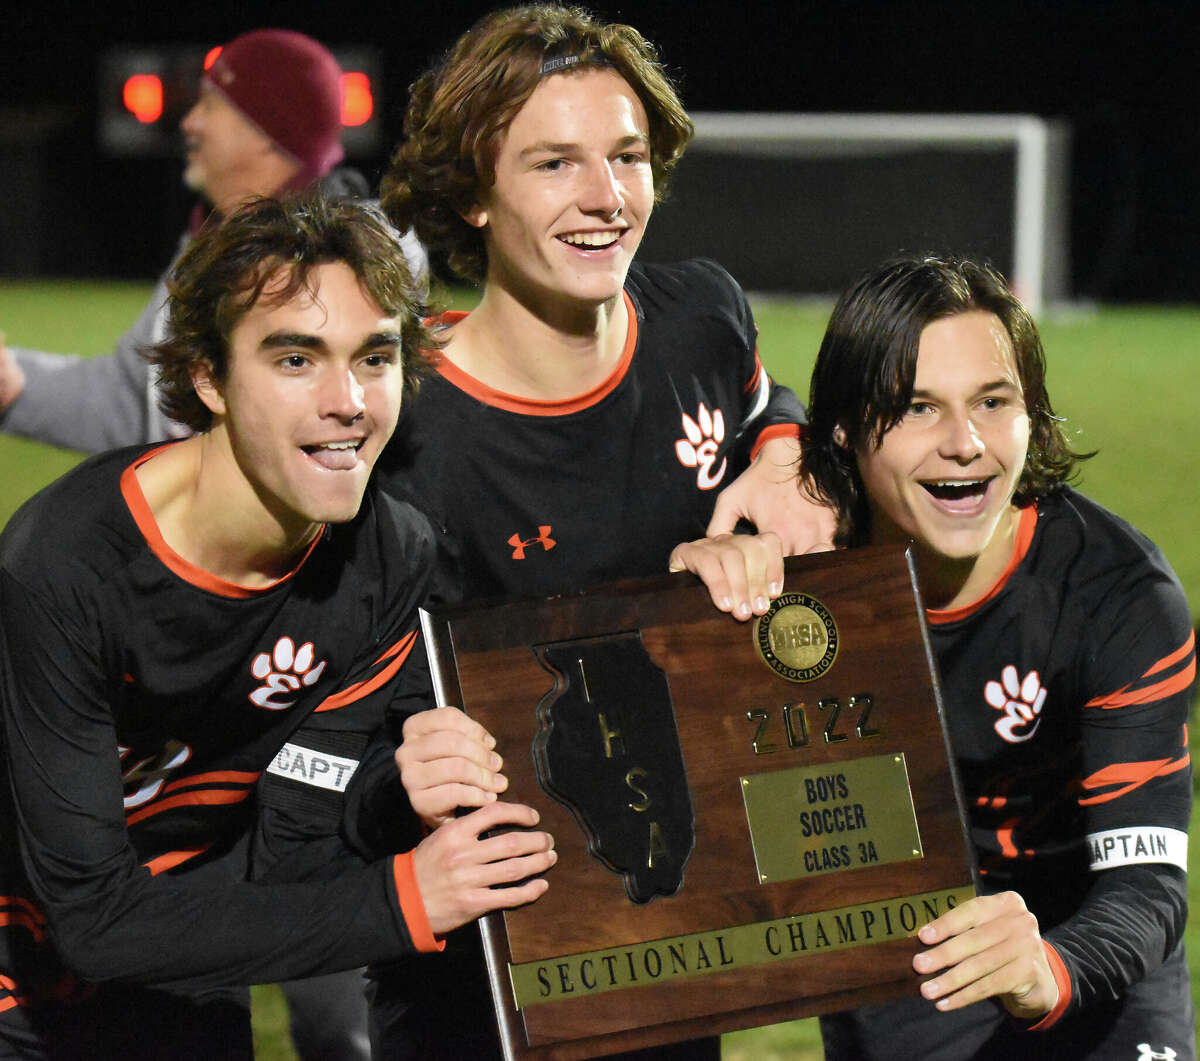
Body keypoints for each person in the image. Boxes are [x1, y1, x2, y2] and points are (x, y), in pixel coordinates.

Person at [355, 5, 836, 1058]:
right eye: (553, 163)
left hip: (671, 929)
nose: (605, 198)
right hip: (478, 974)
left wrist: (786, 454)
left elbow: (766, 409)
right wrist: (398, 772)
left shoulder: (702, 319)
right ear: (473, 194)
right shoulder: (397, 428)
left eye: (626, 156)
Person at [0, 194, 555, 1061]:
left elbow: (295, 839)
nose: (348, 401)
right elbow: (94, 921)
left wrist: (394, 795)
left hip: (194, 960)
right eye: (296, 358)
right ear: (209, 378)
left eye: (375, 357)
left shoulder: (386, 557)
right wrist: (406, 899)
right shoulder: (64, 566)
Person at [672, 256, 1195, 1060]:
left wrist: (1048, 968)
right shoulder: (797, 586)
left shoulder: (1116, 597)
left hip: (1086, 942)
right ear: (843, 427)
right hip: (907, 945)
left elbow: (1146, 883)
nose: (966, 444)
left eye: (994, 402)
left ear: (1035, 416)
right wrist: (687, 631)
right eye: (917, 407)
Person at [0, 27, 425, 453]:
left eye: (210, 105)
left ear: (264, 131)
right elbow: (137, 407)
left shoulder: (362, 255)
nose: (190, 122)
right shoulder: (210, 246)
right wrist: (14, 383)